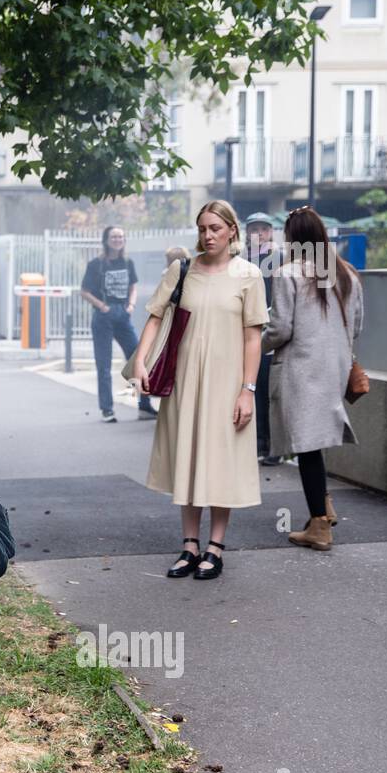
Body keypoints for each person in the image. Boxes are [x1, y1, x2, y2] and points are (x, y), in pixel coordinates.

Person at [135, 200, 268, 580]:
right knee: (188, 457)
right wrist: (142, 362)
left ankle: (216, 546)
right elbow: (156, 316)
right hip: (185, 380)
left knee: (220, 460)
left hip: (228, 384)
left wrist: (247, 390)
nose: (207, 236)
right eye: (202, 229)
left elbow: (253, 339)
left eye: (215, 228)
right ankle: (190, 545)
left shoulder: (249, 275)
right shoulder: (183, 270)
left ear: (232, 231)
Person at [262, 206, 364, 551]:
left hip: (302, 369)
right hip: (333, 368)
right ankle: (324, 507)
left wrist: (253, 343)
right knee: (314, 441)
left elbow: (280, 329)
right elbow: (358, 326)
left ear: (293, 239)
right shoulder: (347, 273)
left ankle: (319, 526)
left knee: (306, 446)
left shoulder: (289, 273)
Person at [80, 226, 156, 422]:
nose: (117, 239)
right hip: (103, 317)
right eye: (114, 236)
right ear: (106, 240)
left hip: (123, 314)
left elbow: (133, 287)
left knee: (139, 360)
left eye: (121, 236)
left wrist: (130, 305)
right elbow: (84, 291)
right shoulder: (96, 264)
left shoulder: (127, 262)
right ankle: (107, 410)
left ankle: (145, 407)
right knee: (104, 366)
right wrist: (102, 306)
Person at [244, 212, 281, 465]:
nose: (258, 234)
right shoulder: (240, 260)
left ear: (270, 232)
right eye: (253, 229)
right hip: (248, 330)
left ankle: (273, 446)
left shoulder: (280, 259)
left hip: (272, 329)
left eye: (263, 229)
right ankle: (258, 442)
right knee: (252, 388)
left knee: (271, 392)